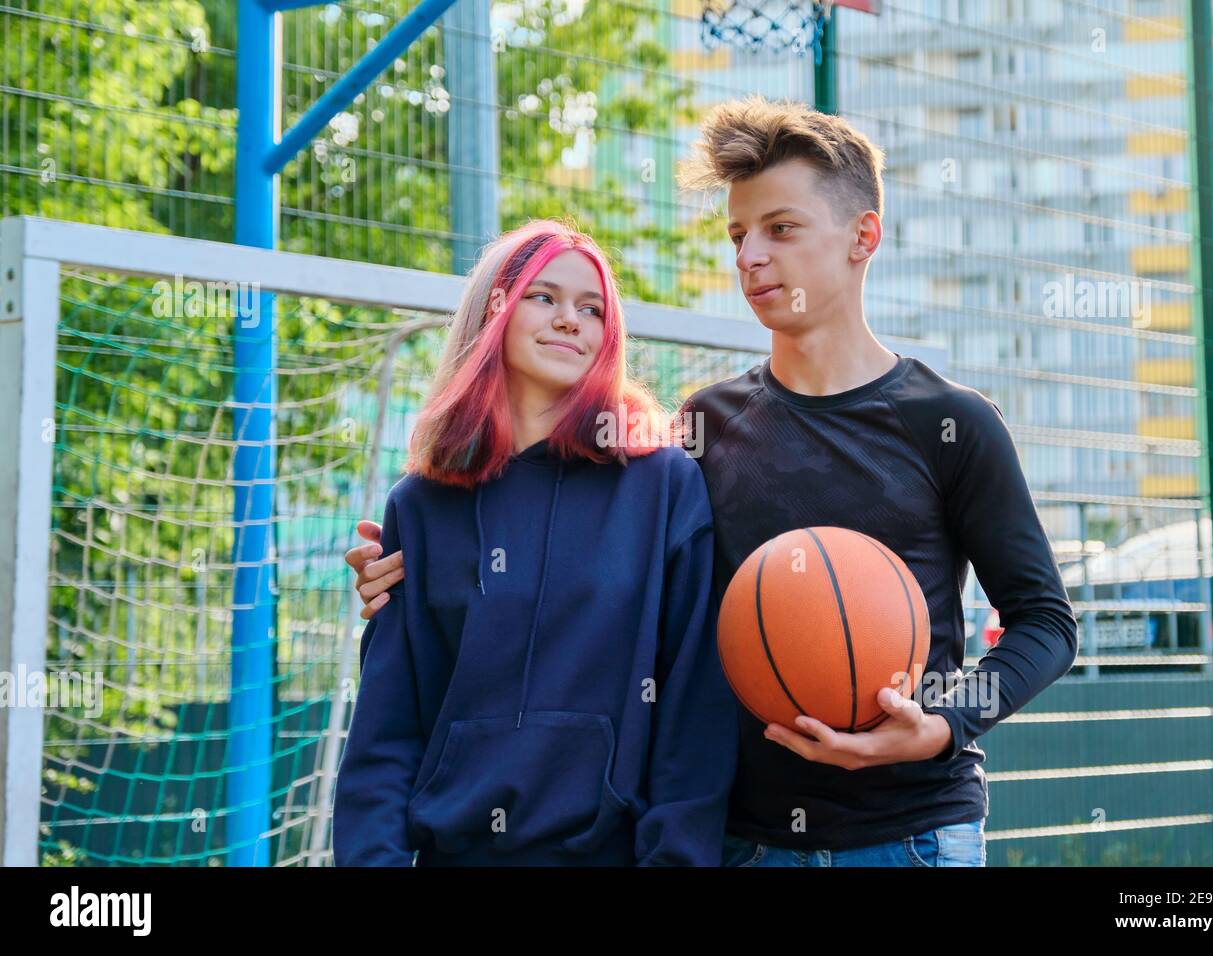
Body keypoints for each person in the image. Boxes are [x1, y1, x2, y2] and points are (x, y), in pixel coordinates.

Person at [349, 96, 1080, 868]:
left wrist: (942, 720)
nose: (750, 256)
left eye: (781, 229)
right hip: (743, 839)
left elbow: (1045, 625)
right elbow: (588, 562)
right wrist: (408, 573)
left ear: (863, 236)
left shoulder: (952, 423)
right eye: (738, 235)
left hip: (911, 831)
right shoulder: (703, 429)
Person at [331, 218, 738, 867]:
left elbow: (693, 708)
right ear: (497, 308)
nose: (570, 320)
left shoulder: (660, 484)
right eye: (544, 297)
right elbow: (388, 728)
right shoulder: (422, 503)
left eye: (592, 308)